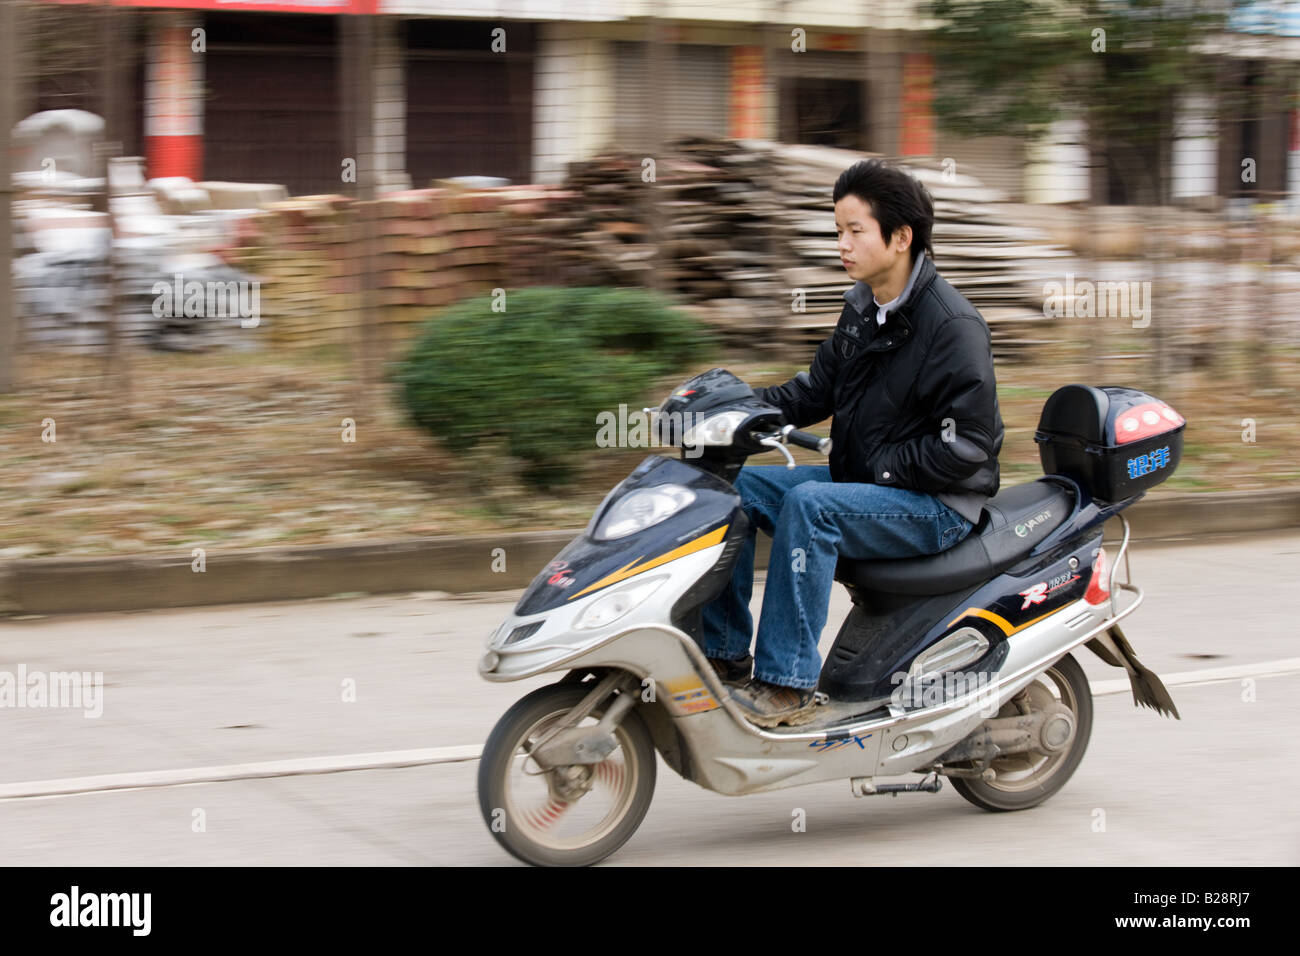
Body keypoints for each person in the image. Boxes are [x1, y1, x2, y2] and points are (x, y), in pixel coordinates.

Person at [700, 158, 1005, 728]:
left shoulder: (952, 326)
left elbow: (972, 445)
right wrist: (729, 407)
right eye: (837, 229)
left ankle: (787, 684)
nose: (841, 242)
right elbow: (814, 391)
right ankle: (723, 655)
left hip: (936, 504)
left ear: (901, 237)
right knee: (728, 489)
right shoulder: (863, 307)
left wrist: (881, 468)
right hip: (864, 479)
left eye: (853, 229)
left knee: (811, 507)